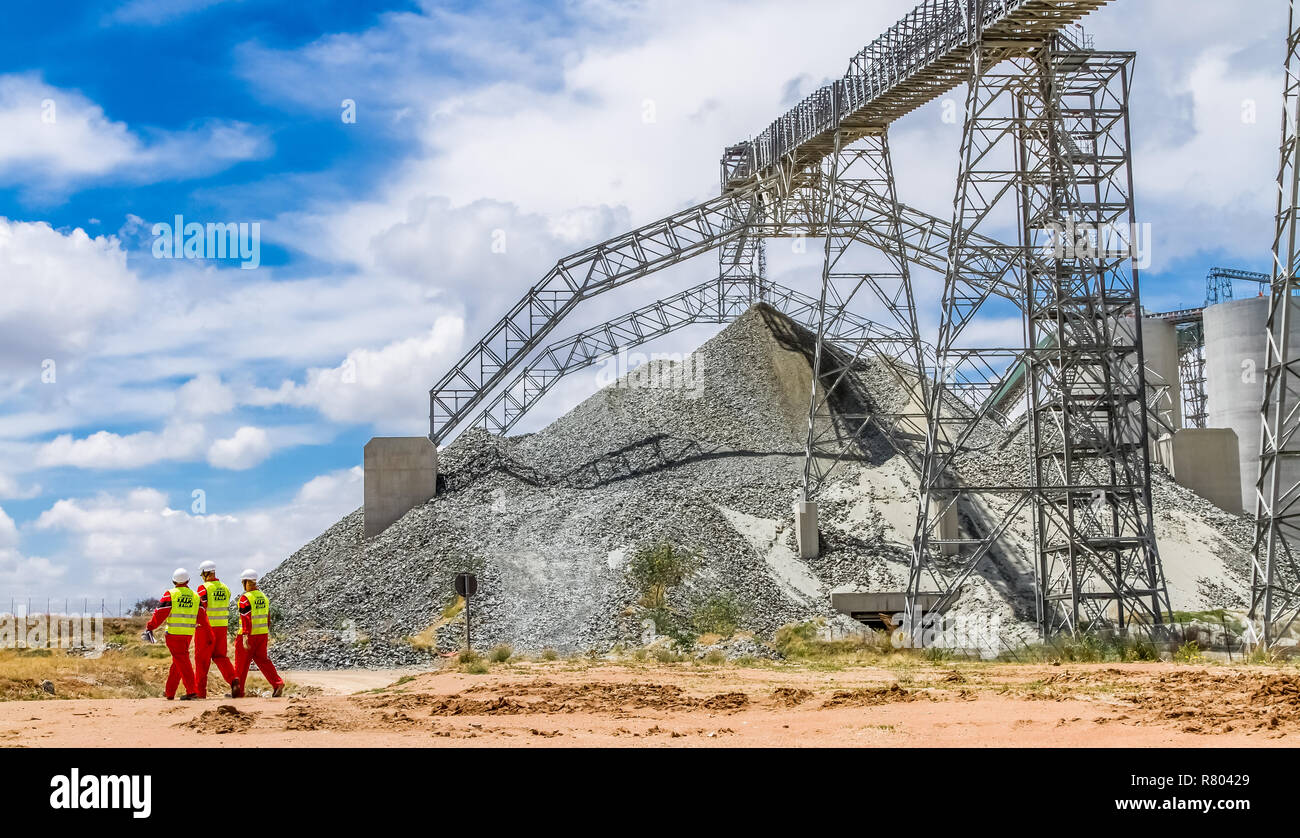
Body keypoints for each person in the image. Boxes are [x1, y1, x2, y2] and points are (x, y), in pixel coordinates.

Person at [144, 568, 211, 700]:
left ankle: (192, 691)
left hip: (174, 634)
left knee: (182, 661)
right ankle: (170, 692)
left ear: (173, 581)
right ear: (188, 580)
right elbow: (202, 617)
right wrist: (209, 633)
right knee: (179, 661)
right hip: (188, 634)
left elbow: (160, 614)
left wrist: (150, 627)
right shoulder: (195, 596)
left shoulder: (171, 594)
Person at [232, 568, 284, 698]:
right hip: (262, 634)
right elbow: (268, 617)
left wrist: (245, 636)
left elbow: (246, 618)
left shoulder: (245, 598)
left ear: (246, 582)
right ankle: (277, 683)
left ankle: (239, 692)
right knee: (263, 661)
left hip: (248, 635)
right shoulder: (263, 597)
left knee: (241, 664)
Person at [193, 561, 236, 699]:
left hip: (206, 628)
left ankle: (200, 693)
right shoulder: (225, 588)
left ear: (206, 573)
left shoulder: (203, 589)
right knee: (220, 657)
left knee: (201, 661)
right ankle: (234, 680)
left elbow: (201, 608)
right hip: (222, 627)